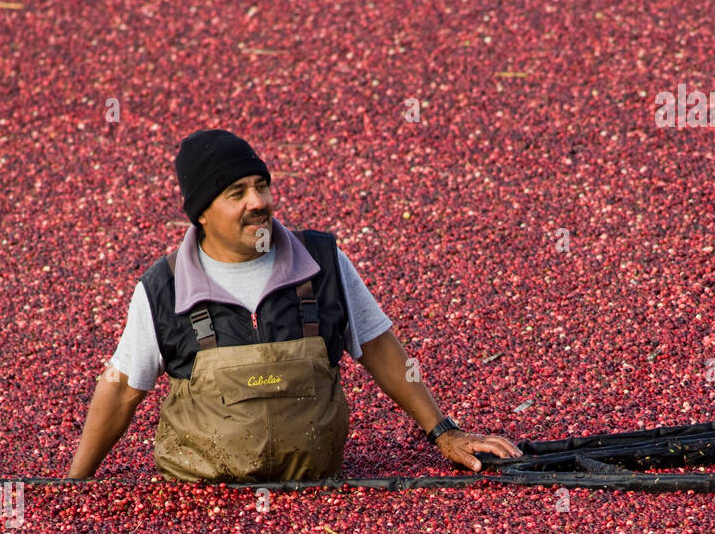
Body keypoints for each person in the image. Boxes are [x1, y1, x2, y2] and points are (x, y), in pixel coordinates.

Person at [67, 128, 522, 483]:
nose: (258, 203)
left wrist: (443, 431)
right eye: (237, 193)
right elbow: (123, 388)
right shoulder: (162, 287)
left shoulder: (322, 263)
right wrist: (74, 485)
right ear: (201, 213)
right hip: (203, 508)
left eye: (261, 186)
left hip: (319, 494)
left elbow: (379, 347)